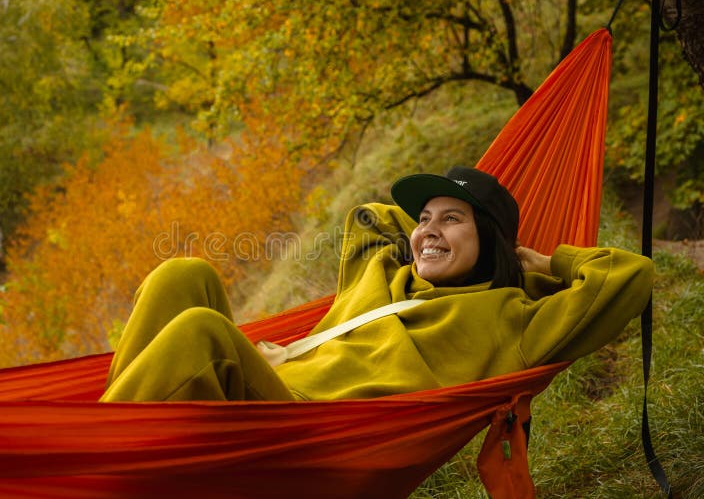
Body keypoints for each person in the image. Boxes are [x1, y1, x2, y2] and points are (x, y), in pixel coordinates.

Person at [100, 166, 654, 402]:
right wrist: (434, 240)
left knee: (202, 331)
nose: (429, 230)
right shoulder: (382, 270)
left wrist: (540, 260)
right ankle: (84, 437)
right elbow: (370, 215)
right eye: (425, 218)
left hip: (311, 426)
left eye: (452, 219)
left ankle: (77, 461)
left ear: (492, 239)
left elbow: (631, 276)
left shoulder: (517, 320)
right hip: (271, 378)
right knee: (184, 274)